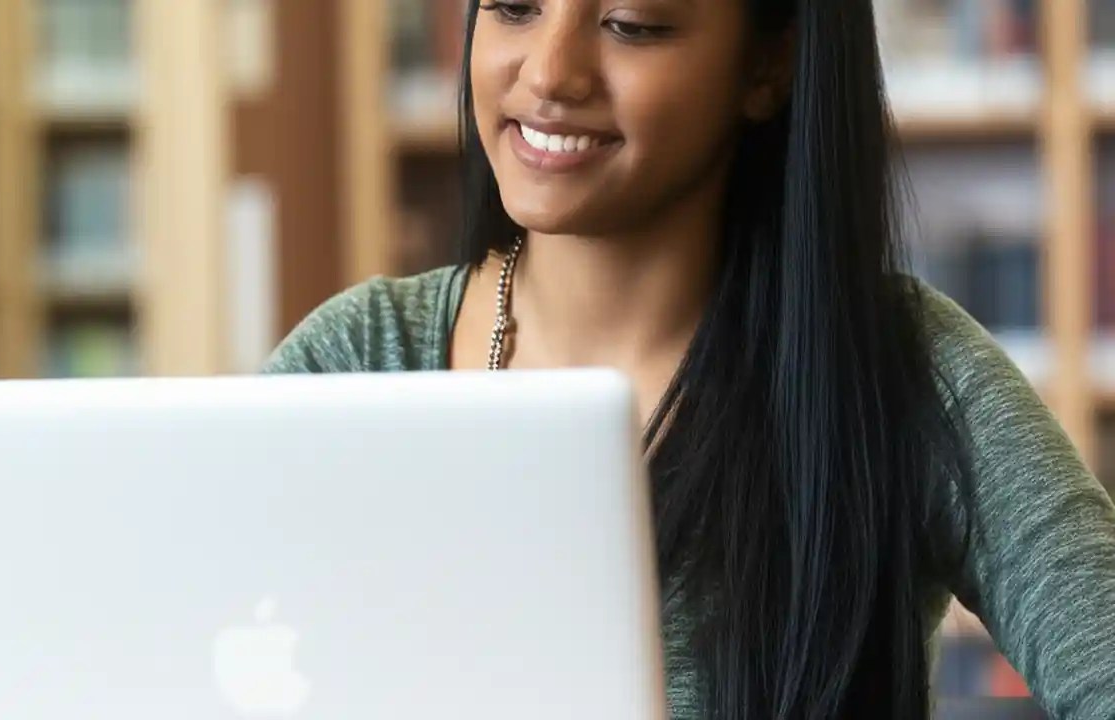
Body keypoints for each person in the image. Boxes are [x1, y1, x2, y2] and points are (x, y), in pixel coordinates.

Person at [264, 1, 1115, 717]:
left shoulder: (899, 370)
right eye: (515, 5)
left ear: (767, 65)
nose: (550, 72)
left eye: (631, 25)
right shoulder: (357, 361)